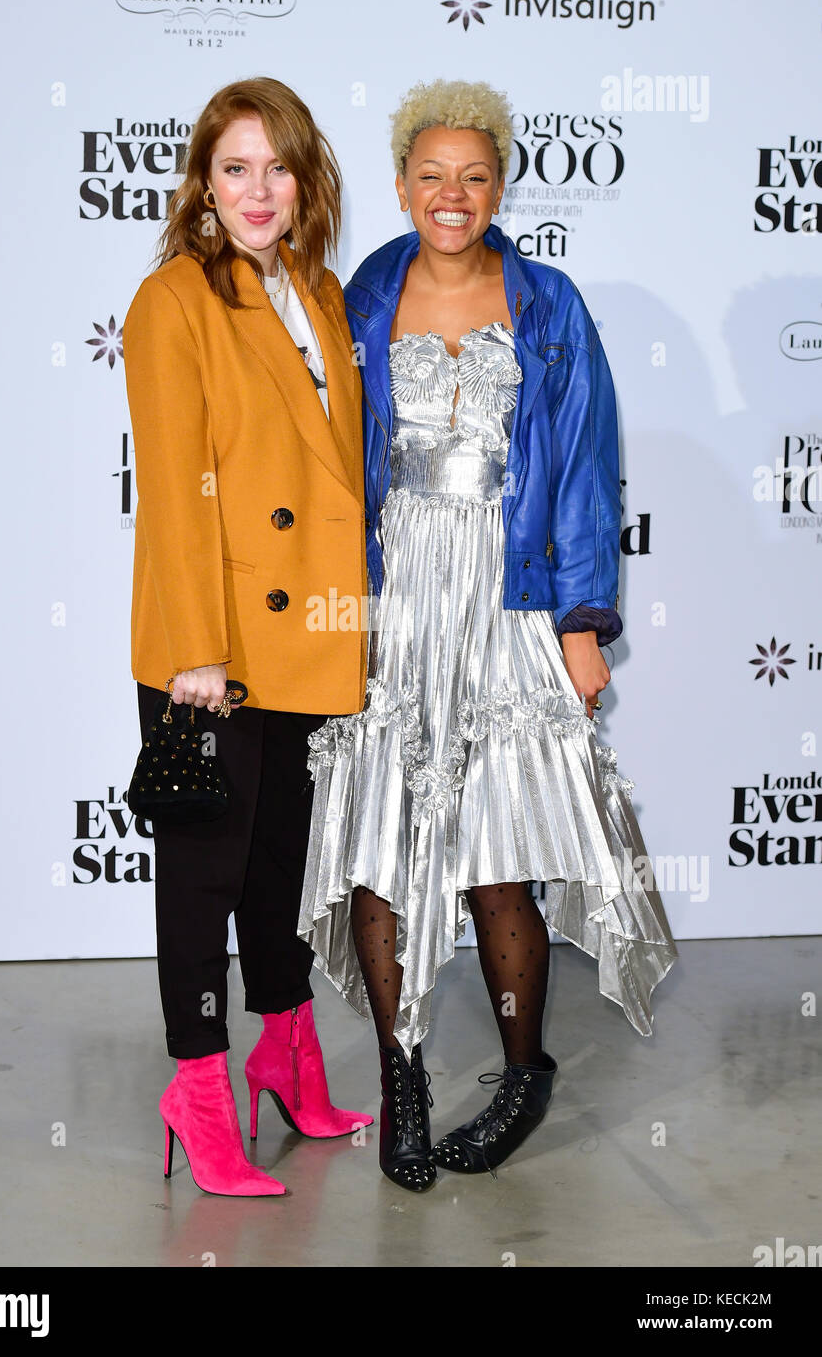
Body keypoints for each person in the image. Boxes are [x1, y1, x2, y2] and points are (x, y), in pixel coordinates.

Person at [298, 79, 678, 1192]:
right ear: (402, 181)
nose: (451, 195)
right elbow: (325, 461)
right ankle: (401, 1076)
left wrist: (582, 622)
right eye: (431, 174)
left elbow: (581, 466)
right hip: (397, 591)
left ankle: (522, 1074)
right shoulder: (362, 292)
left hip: (508, 592)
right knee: (382, 840)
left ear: (499, 183)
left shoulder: (549, 301)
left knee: (497, 845)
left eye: (474, 175)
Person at [122, 76, 373, 1199]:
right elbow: (176, 493)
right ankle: (197, 1081)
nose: (258, 189)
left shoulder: (317, 292)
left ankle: (287, 1051)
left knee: (283, 868)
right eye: (235, 167)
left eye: (277, 166)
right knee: (204, 872)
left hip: (312, 635)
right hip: (216, 644)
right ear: (204, 184)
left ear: (304, 176)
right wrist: (195, 654)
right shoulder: (173, 298)